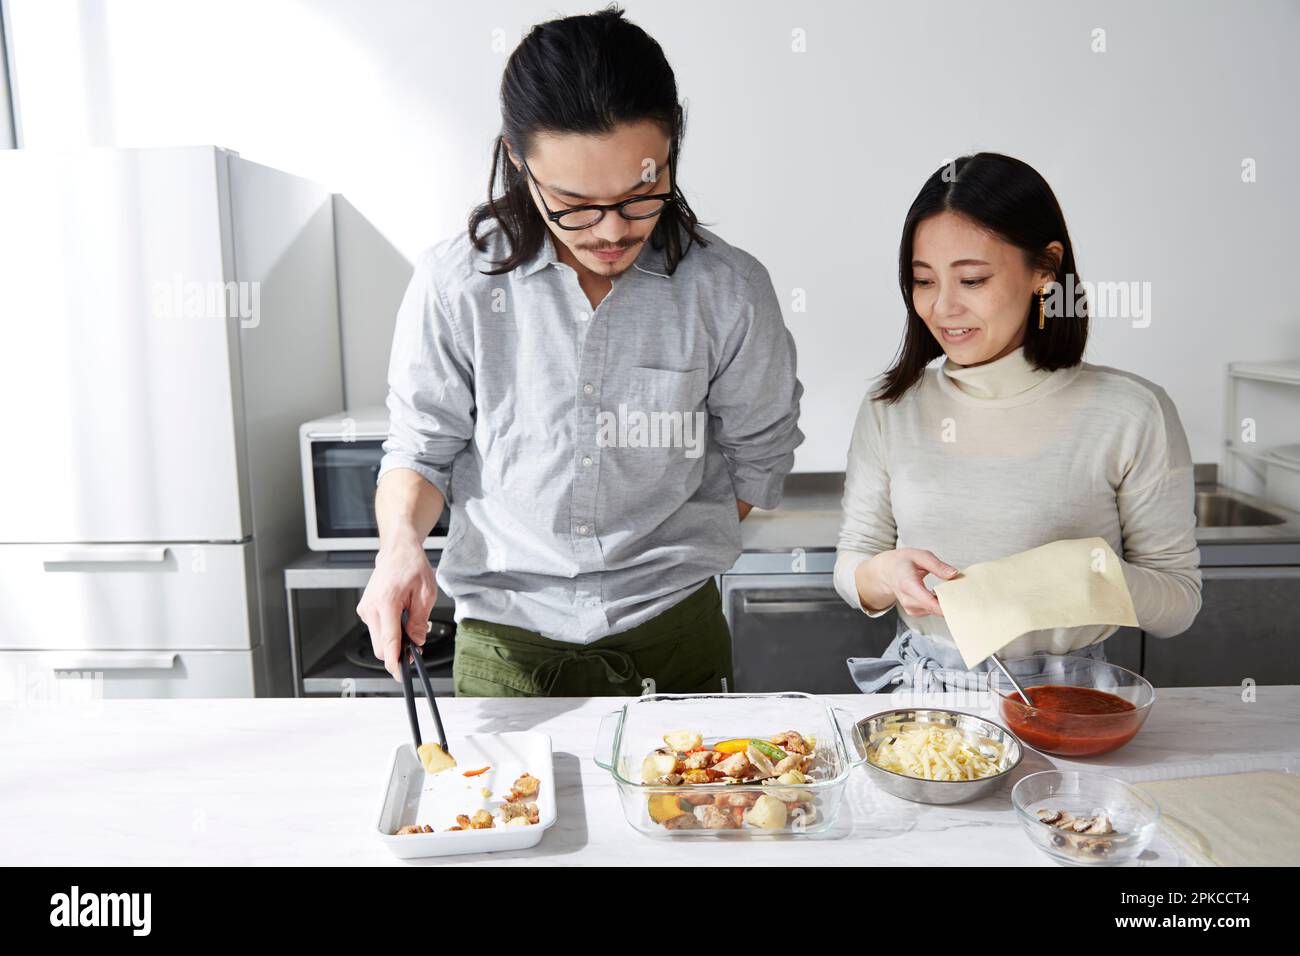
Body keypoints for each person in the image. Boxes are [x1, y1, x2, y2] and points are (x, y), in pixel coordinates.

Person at [357, 7, 803, 696]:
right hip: (504, 646)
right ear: (516, 158)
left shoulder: (729, 291)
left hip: (674, 636)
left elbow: (758, 457)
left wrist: (655, 551)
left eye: (640, 193)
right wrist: (400, 547)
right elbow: (420, 449)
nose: (611, 230)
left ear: (672, 148)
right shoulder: (456, 285)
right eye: (572, 201)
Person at [835, 152, 1201, 693]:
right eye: (923, 281)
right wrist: (885, 576)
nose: (942, 308)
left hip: (1068, 700)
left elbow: (1180, 602)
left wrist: (1090, 577)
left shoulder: (1131, 410)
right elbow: (854, 564)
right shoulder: (892, 407)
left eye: (973, 280)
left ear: (1045, 271)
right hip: (925, 701)